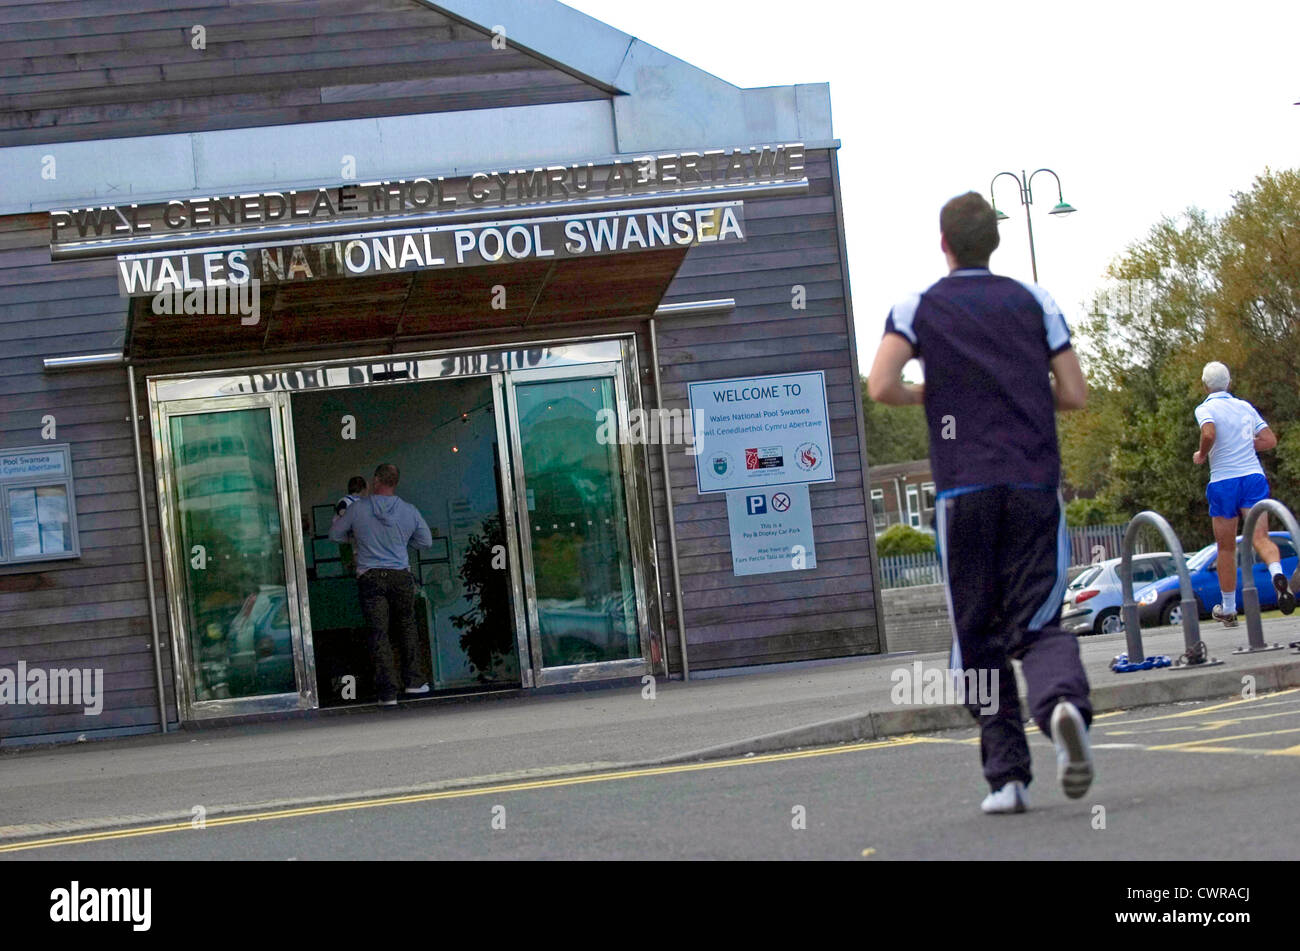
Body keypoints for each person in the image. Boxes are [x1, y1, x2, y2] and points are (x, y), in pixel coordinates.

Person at [868, 191, 1094, 815]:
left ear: (944, 244)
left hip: (962, 490)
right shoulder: (1034, 300)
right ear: (994, 241)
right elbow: (1074, 392)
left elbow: (881, 383)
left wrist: (935, 395)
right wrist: (1017, 394)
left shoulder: (917, 307)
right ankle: (1063, 708)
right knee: (1039, 621)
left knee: (976, 635)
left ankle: (1006, 779)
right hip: (1031, 485)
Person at [1192, 361, 1295, 624]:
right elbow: (1270, 440)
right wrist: (1245, 444)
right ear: (1229, 383)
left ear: (1205, 385)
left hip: (1224, 481)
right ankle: (1276, 575)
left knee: (1226, 548)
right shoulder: (1245, 407)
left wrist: (1203, 454)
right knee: (1261, 537)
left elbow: (1209, 431)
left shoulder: (1205, 408)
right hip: (1252, 477)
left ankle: (1228, 608)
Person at [330, 463, 434, 706]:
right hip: (400, 575)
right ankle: (414, 683)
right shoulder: (409, 510)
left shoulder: (357, 510)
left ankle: (387, 692)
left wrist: (356, 535)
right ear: (395, 482)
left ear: (376, 480)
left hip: (371, 576)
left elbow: (335, 535)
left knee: (379, 633)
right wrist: (403, 543)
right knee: (407, 627)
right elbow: (426, 541)